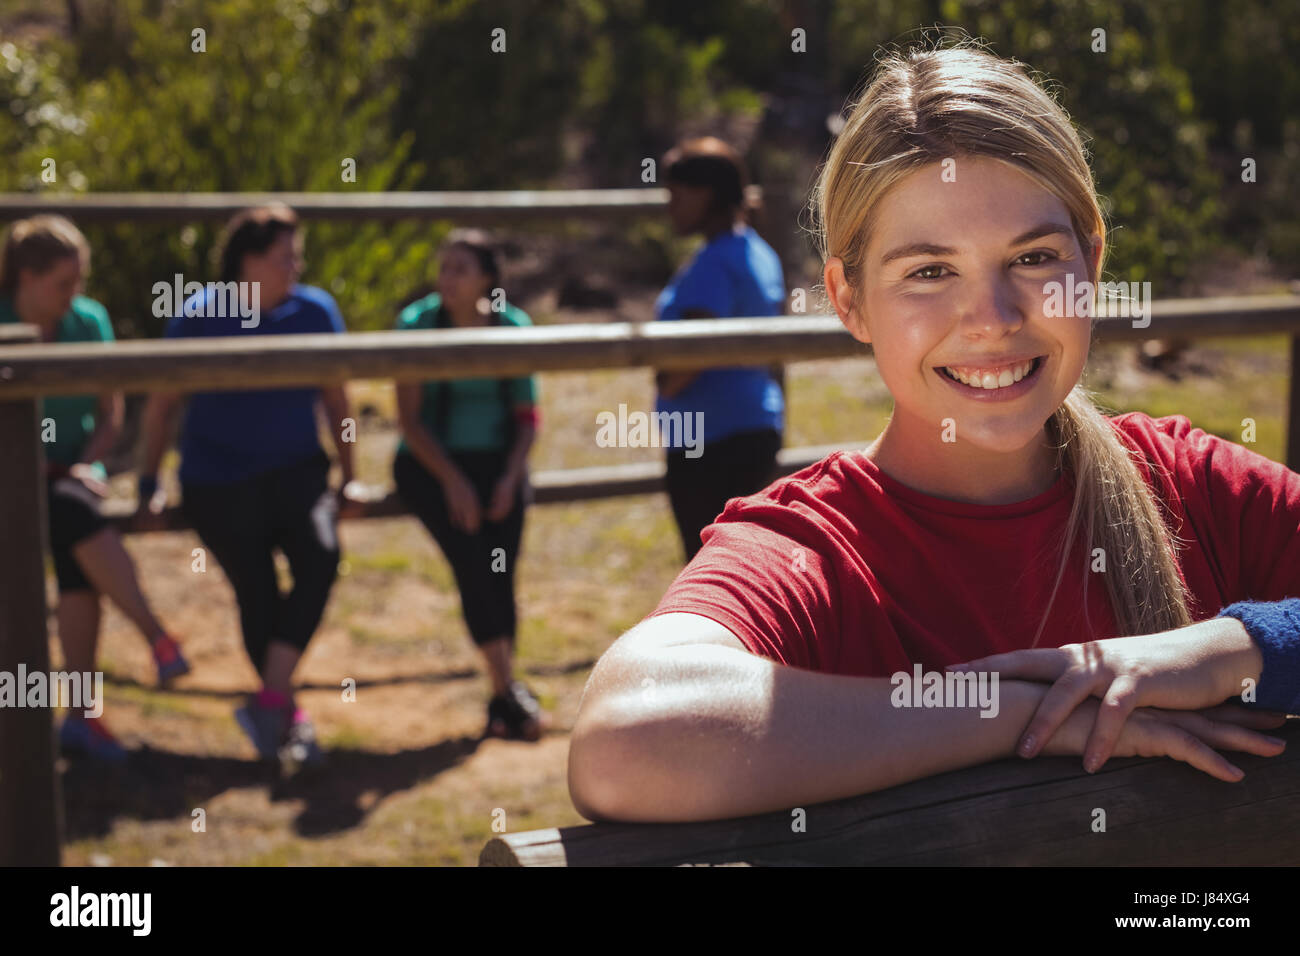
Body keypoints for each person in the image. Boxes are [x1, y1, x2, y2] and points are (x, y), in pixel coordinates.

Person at [567, 43, 1298, 824]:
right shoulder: (812, 549)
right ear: (848, 300)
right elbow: (626, 739)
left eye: (1034, 257)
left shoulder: (1194, 488)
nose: (992, 319)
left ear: (1092, 261)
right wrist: (1023, 711)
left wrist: (1232, 649)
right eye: (928, 271)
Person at [136, 204, 362, 770]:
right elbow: (162, 407)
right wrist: (147, 482)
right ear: (249, 261)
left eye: (296, 255)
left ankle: (271, 700)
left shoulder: (316, 311)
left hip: (298, 472)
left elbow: (338, 398)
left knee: (321, 556)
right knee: (256, 589)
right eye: (286, 256)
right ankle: (285, 710)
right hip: (218, 481)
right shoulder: (198, 316)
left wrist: (352, 473)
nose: (297, 266)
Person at [0, 215, 189, 763]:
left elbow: (110, 410)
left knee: (72, 522)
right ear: (25, 279)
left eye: (79, 282)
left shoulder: (88, 321)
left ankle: (82, 714)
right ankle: (152, 636)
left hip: (73, 473)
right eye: (63, 283)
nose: (74, 295)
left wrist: (85, 462)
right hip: (14, 474)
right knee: (72, 518)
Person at [392, 229, 547, 741]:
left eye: (461, 268)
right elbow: (410, 422)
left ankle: (503, 693)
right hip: (430, 464)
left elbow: (528, 416)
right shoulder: (417, 326)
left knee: (501, 570)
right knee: (473, 562)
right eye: (443, 268)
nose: (447, 279)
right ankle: (508, 691)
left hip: (498, 463)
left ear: (487, 279)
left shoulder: (511, 326)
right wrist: (454, 482)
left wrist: (507, 479)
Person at [654, 137, 786, 563]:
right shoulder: (760, 252)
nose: (669, 205)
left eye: (676, 194)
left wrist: (664, 378)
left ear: (704, 194)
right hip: (753, 425)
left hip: (707, 439)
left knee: (708, 571)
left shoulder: (713, 263)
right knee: (743, 566)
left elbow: (685, 361)